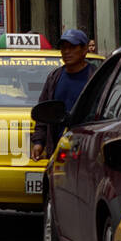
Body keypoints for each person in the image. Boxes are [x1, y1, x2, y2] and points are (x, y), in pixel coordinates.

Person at [30, 29, 96, 161]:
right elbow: (44, 112)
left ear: (84, 50)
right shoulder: (54, 78)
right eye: (63, 48)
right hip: (58, 152)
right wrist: (39, 142)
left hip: (88, 152)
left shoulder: (96, 77)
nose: (67, 52)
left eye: (72, 47)